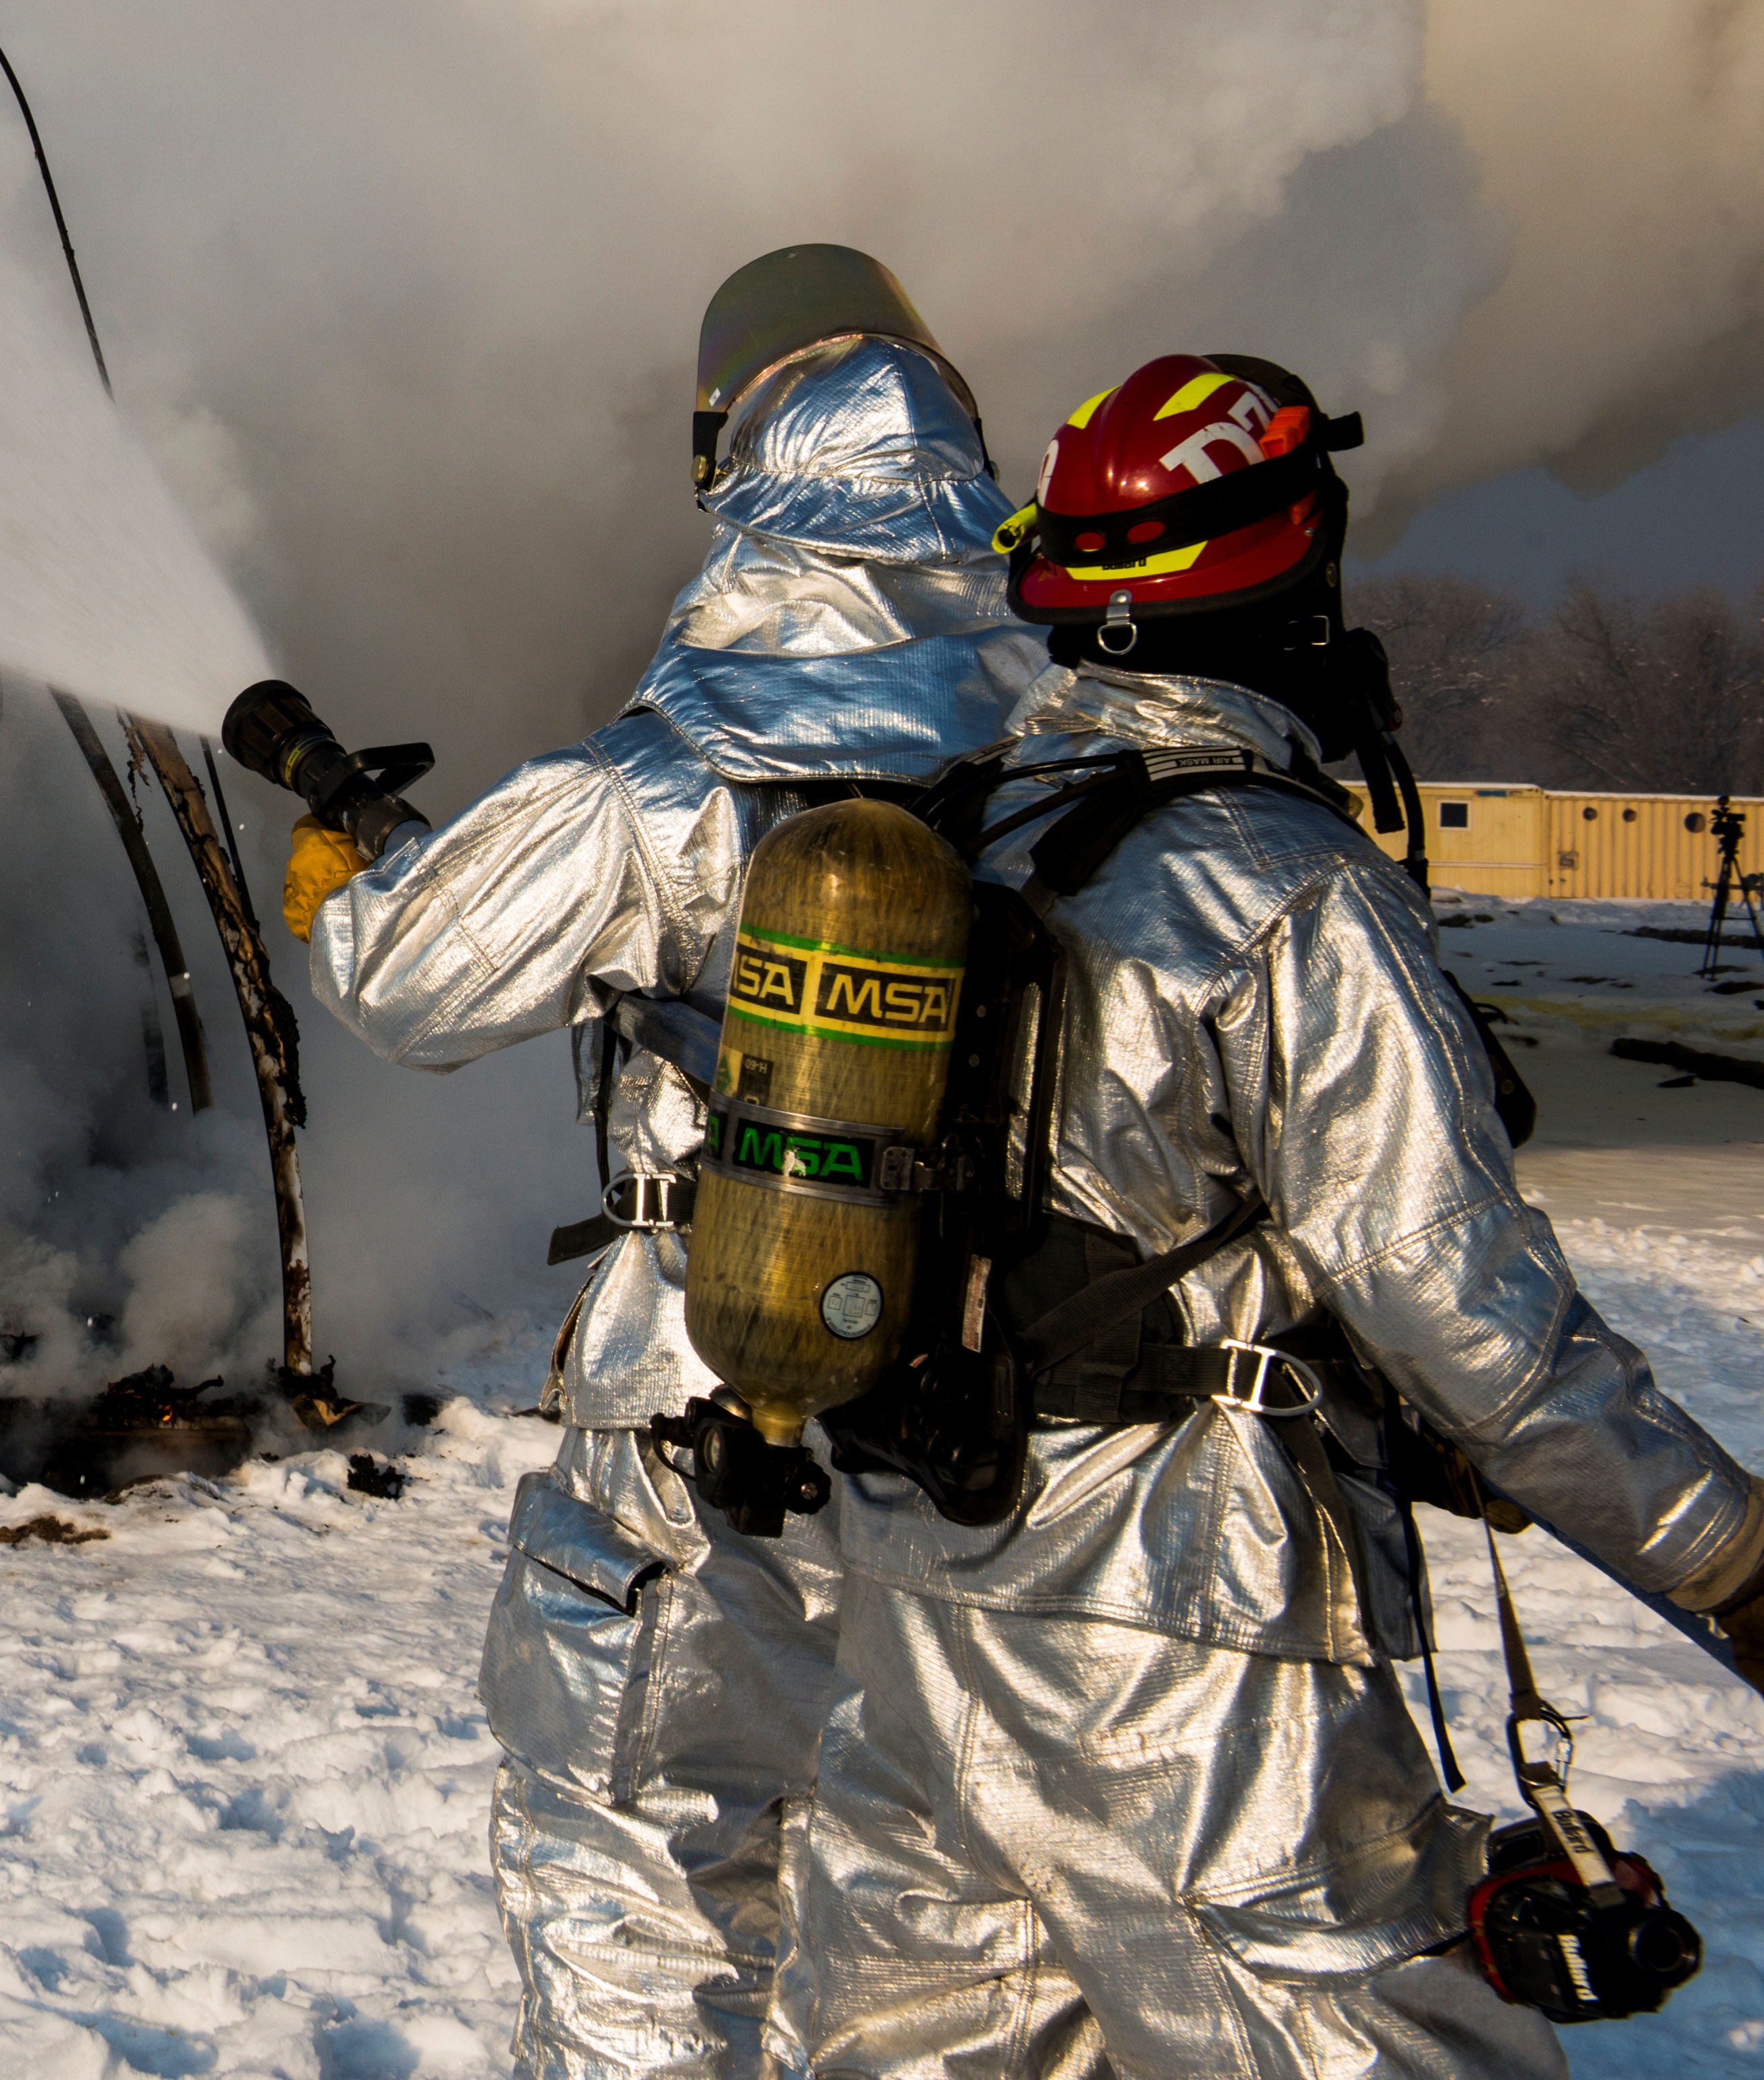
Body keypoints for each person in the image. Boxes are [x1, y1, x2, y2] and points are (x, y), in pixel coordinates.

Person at [781, 352, 1764, 2077]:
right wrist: (1733, 1564)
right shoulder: (1280, 885)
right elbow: (1474, 1325)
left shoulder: (949, 838)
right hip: (1191, 1650)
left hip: (916, 1605)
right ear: (1293, 563)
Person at [283, 246, 1044, 2080]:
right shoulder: (1069, 738)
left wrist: (345, 881)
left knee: (635, 1864)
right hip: (997, 1438)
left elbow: (410, 977)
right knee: (948, 1932)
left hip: (710, 1422)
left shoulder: (671, 765)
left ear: (739, 462)